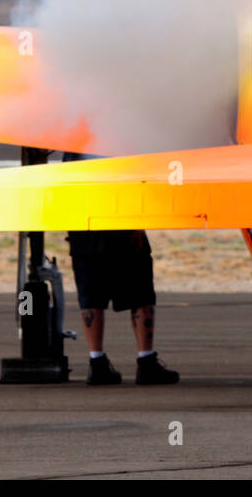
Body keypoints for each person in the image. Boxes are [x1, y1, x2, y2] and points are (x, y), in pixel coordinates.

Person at [62, 153, 179, 386]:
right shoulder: (120, 136)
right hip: (120, 220)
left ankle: (97, 362)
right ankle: (145, 361)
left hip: (85, 225)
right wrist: (136, 223)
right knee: (140, 294)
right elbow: (134, 179)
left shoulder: (75, 142)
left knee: (91, 296)